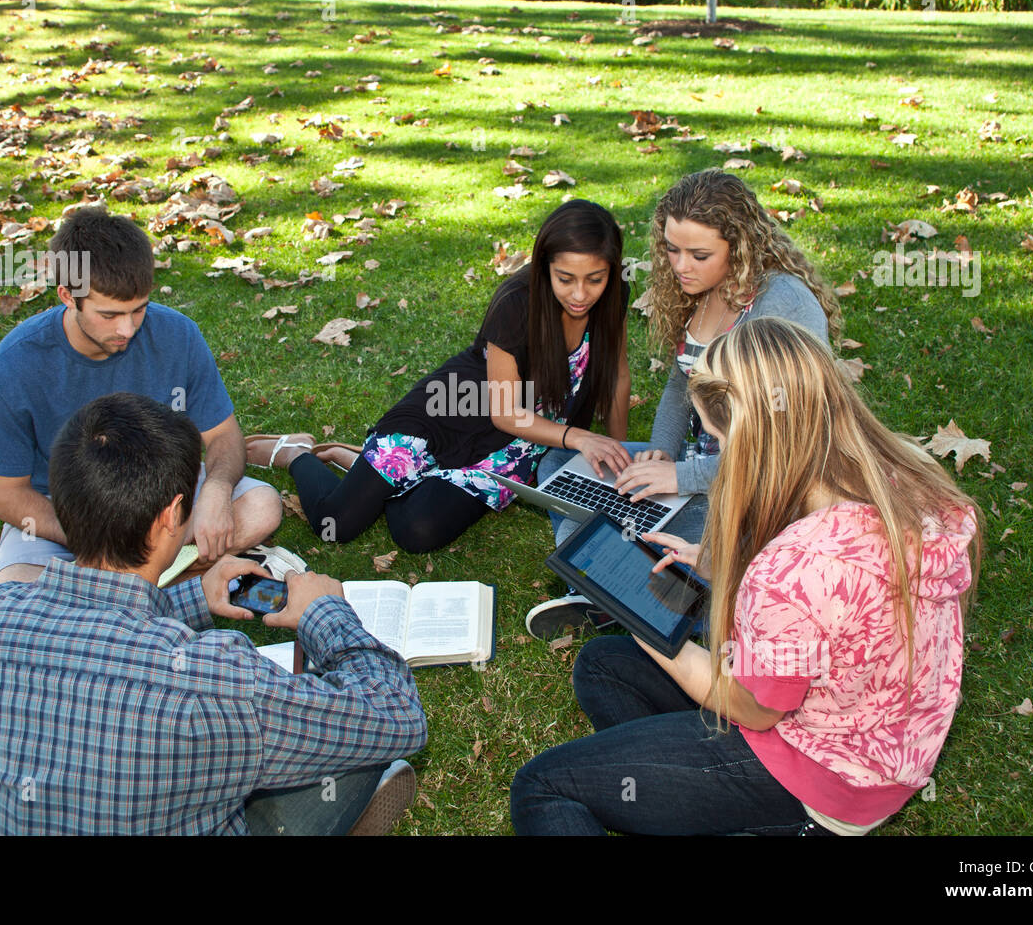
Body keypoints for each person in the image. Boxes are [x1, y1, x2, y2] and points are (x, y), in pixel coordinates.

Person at [510, 318, 981, 835]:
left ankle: (747, 812)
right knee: (603, 665)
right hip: (884, 748)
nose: (718, 459)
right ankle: (686, 801)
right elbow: (840, 607)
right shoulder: (908, 483)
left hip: (816, 780)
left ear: (752, 440)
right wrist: (721, 566)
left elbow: (753, 710)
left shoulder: (791, 570)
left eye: (716, 442)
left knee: (542, 786)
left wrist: (643, 624)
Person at [0, 392, 428, 835]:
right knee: (345, 755)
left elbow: (102, 642)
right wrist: (325, 613)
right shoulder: (214, 679)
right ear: (171, 515)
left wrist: (196, 598)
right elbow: (400, 716)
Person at [525, 168, 843, 638]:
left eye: (699, 254)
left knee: (689, 532)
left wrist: (680, 476)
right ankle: (618, 578)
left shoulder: (784, 308)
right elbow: (680, 382)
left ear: (741, 246)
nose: (680, 266)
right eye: (672, 249)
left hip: (760, 485)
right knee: (566, 460)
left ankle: (635, 589)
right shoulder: (701, 289)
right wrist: (661, 450)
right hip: (699, 463)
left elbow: (789, 447)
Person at [247, 199, 632, 554]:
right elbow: (504, 413)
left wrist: (616, 452)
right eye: (565, 278)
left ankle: (373, 470)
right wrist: (579, 437)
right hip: (453, 410)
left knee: (416, 531)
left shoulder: (614, 295)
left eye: (594, 279)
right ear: (544, 263)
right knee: (337, 522)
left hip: (518, 444)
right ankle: (296, 454)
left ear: (611, 270)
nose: (581, 293)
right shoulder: (516, 302)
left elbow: (616, 376)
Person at [0, 206, 280, 586]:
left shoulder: (178, 334)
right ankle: (165, 583)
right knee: (10, 589)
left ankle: (112, 592)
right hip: (67, 513)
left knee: (262, 507)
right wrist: (95, 544)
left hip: (166, 496)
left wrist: (215, 489)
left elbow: (223, 436)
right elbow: (4, 493)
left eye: (139, 309)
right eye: (110, 314)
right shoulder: (16, 362)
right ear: (68, 295)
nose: (128, 329)